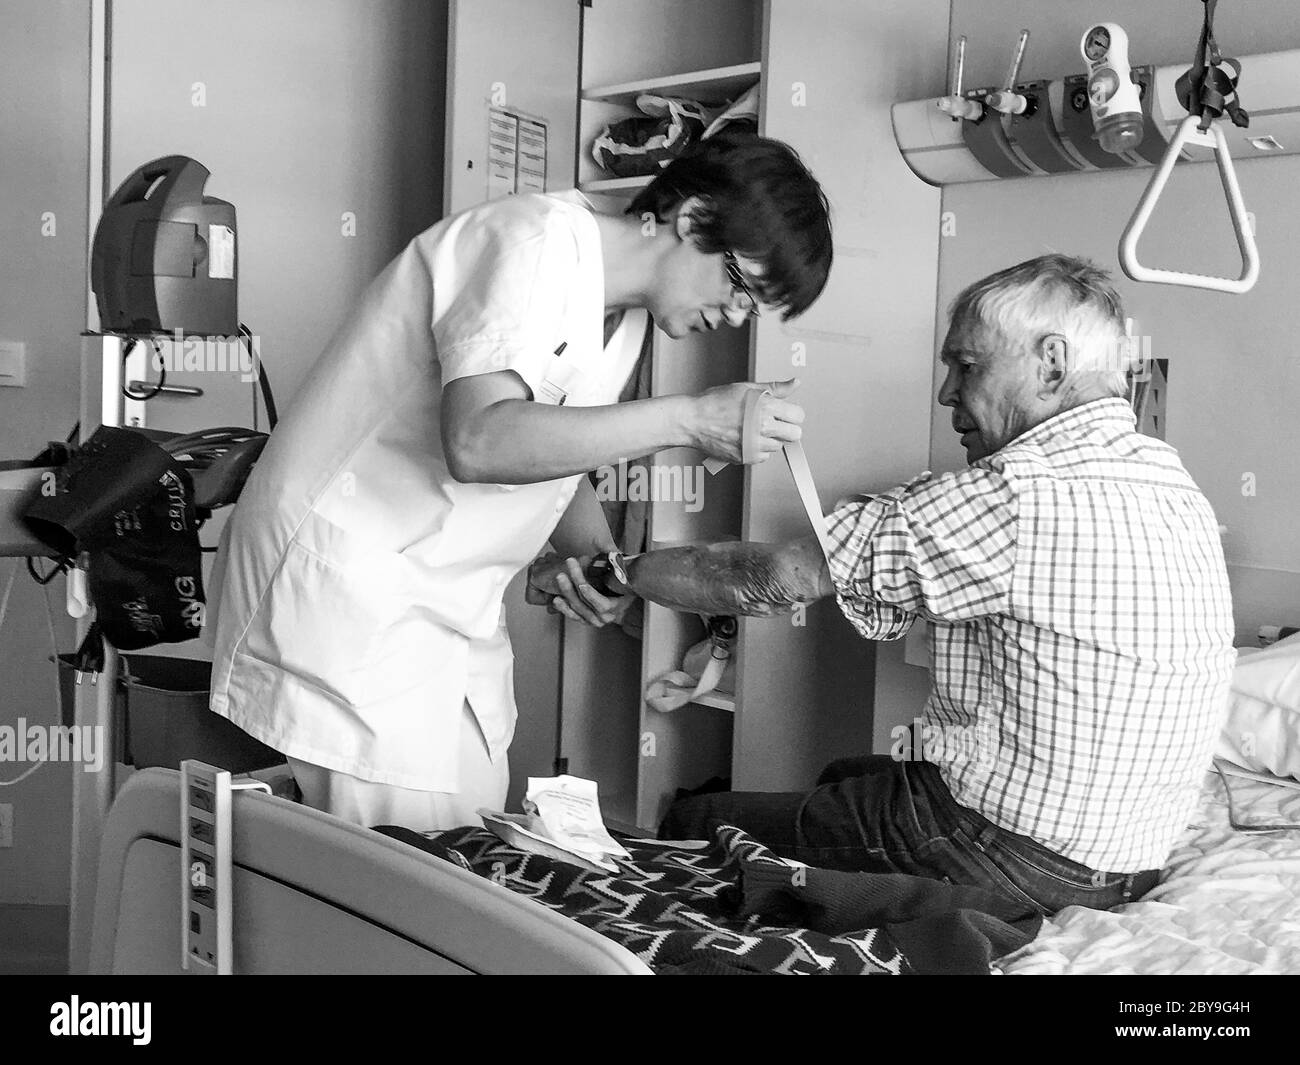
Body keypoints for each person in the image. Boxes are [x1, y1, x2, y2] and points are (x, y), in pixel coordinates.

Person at [530, 253, 1235, 916]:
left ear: (1051, 364)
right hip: (1125, 861)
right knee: (846, 773)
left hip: (1011, 854)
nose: (946, 392)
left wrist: (624, 572)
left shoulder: (1019, 494)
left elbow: (772, 578)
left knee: (698, 820)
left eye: (966, 364)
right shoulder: (1171, 482)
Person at [207, 130, 833, 832]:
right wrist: (689, 419)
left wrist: (605, 565)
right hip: (352, 591)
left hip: (447, 608)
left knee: (477, 846)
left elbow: (556, 456)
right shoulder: (529, 245)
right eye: (741, 285)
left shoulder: (623, 320)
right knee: (411, 885)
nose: (737, 314)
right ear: (691, 221)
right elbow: (479, 439)